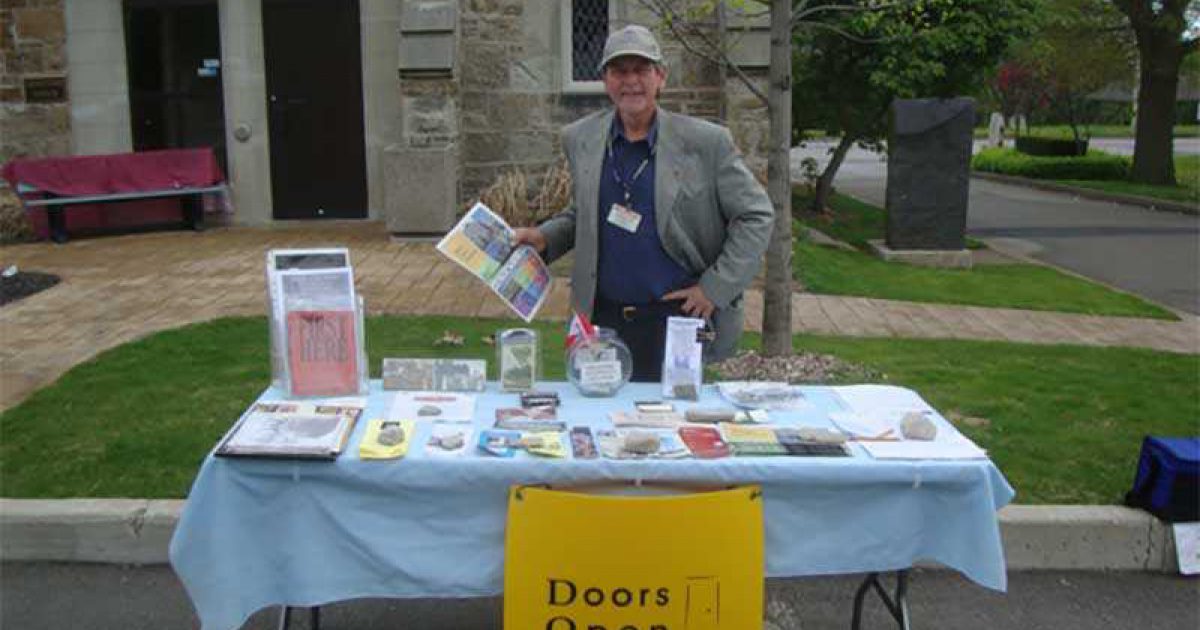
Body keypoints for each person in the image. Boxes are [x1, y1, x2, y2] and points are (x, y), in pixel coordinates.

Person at [513, 24, 773, 382]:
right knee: (597, 421)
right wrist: (543, 237)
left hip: (674, 323)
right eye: (620, 71)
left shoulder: (707, 143)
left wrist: (715, 287)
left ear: (660, 77)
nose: (630, 81)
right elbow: (587, 212)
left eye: (641, 70)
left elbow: (756, 215)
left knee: (667, 428)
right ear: (605, 79)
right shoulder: (580, 139)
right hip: (600, 322)